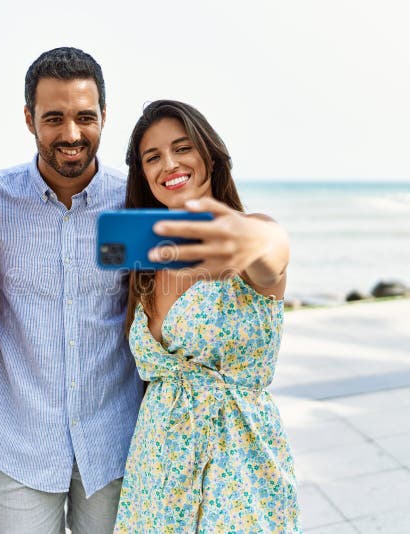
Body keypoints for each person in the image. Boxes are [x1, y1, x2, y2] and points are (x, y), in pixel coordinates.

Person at [0, 47, 143, 533]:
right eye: (54, 118)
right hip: (23, 447)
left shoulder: (133, 206)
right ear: (28, 118)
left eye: (85, 117)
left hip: (115, 444)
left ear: (104, 115)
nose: (71, 134)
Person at [113, 100, 300, 532]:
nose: (169, 164)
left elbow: (272, 251)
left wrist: (247, 238)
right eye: (152, 157)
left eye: (183, 148)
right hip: (156, 472)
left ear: (209, 155)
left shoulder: (249, 234)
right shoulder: (146, 261)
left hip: (236, 464)